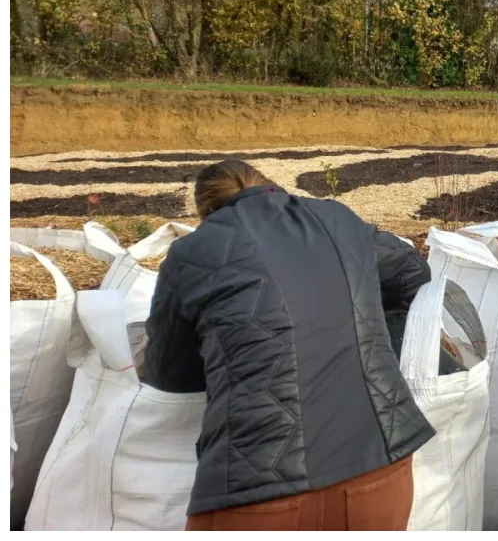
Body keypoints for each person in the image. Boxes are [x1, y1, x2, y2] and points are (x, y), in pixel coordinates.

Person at [143, 160, 436, 531]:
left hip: (258, 490)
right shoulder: (338, 219)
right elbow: (413, 272)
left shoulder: (192, 252)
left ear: (208, 211)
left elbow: (169, 374)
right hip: (382, 469)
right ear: (272, 186)